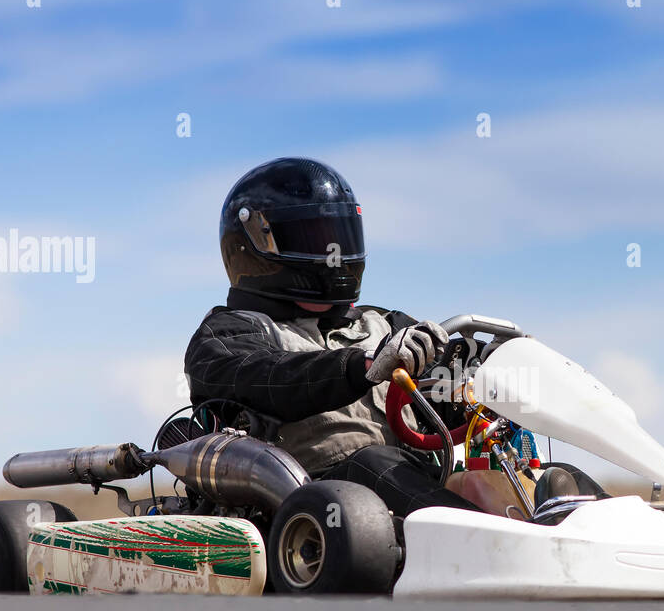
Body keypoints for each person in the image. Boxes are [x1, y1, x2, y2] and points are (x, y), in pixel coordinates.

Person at [183, 157, 479, 517]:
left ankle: (550, 533)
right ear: (251, 245)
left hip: (414, 479)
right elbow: (273, 378)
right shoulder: (228, 333)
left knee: (543, 480)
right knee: (376, 463)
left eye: (338, 237)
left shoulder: (385, 324)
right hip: (311, 507)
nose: (332, 255)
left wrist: (482, 373)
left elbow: (447, 394)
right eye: (313, 238)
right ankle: (493, 552)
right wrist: (363, 366)